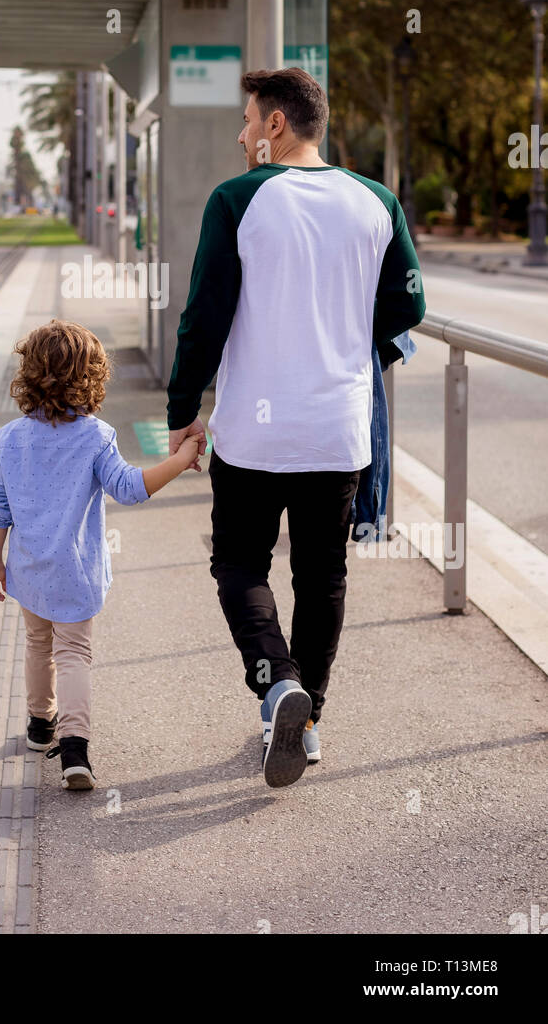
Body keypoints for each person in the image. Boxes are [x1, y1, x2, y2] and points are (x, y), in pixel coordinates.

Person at [166, 67, 426, 789]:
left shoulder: (238, 199)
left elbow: (204, 318)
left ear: (276, 124)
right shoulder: (376, 201)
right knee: (323, 577)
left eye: (250, 120)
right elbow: (409, 306)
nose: (243, 134)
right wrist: (348, 339)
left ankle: (278, 685)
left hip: (253, 433)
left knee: (240, 567)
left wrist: (181, 409)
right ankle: (308, 723)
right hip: (339, 430)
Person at [0, 319, 201, 790]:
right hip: (75, 572)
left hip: (29, 571)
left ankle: (41, 726)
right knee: (74, 651)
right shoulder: (95, 436)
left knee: (38, 644)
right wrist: (180, 462)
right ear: (92, 377)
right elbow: (129, 488)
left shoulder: (10, 438)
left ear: (29, 375)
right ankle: (75, 748)